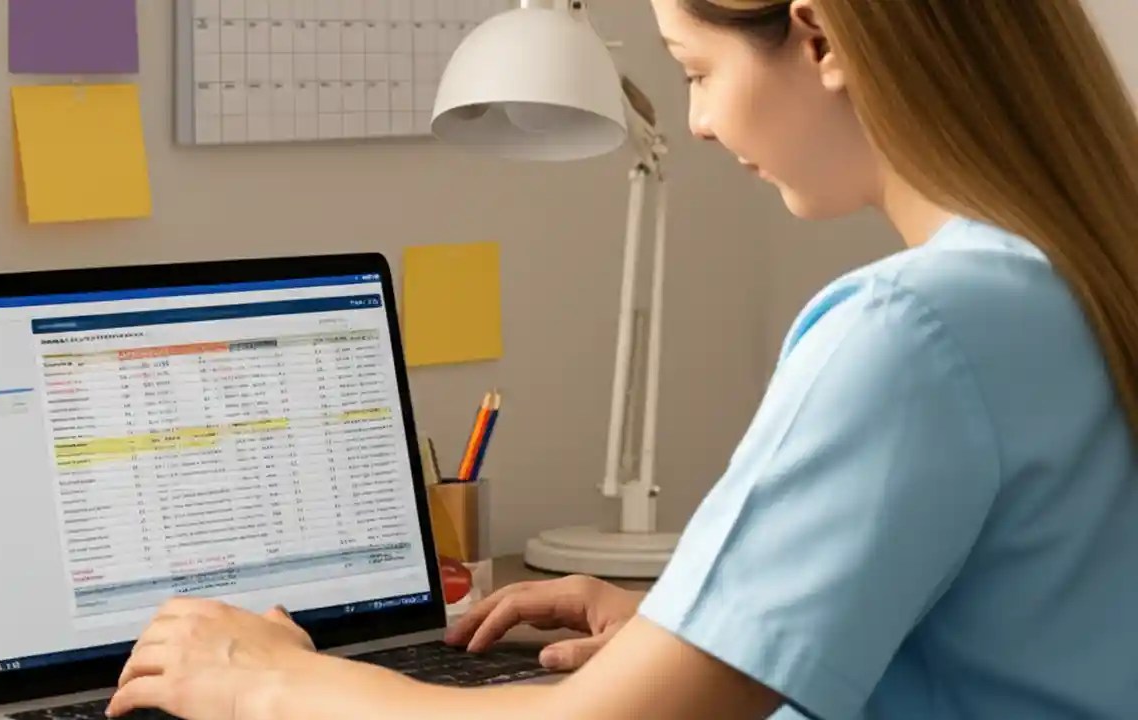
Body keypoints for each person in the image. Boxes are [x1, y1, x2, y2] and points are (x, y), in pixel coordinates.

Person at [106, 0, 1138, 717]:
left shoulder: (912, 332)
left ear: (817, 38)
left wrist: (265, 681)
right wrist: (696, 626)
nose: (691, 123)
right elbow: (1015, 621)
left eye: (694, 72)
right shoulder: (1066, 276)